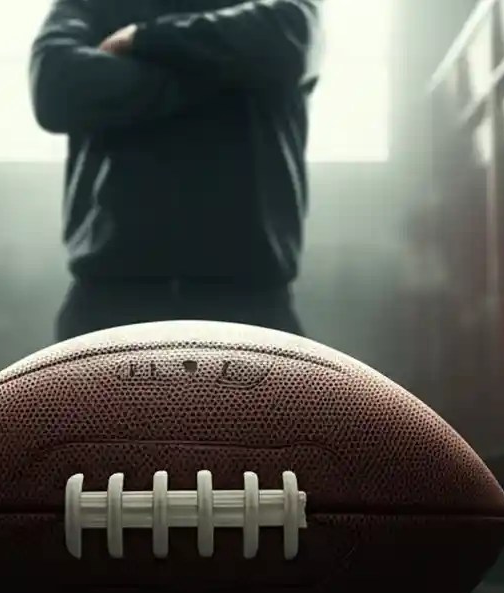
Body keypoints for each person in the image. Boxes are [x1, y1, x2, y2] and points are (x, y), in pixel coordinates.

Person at [29, 0, 323, 341]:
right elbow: (55, 84)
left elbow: (288, 36)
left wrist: (142, 39)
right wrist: (224, 76)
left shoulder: (282, 13)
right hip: (111, 303)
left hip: (249, 306)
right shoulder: (92, 4)